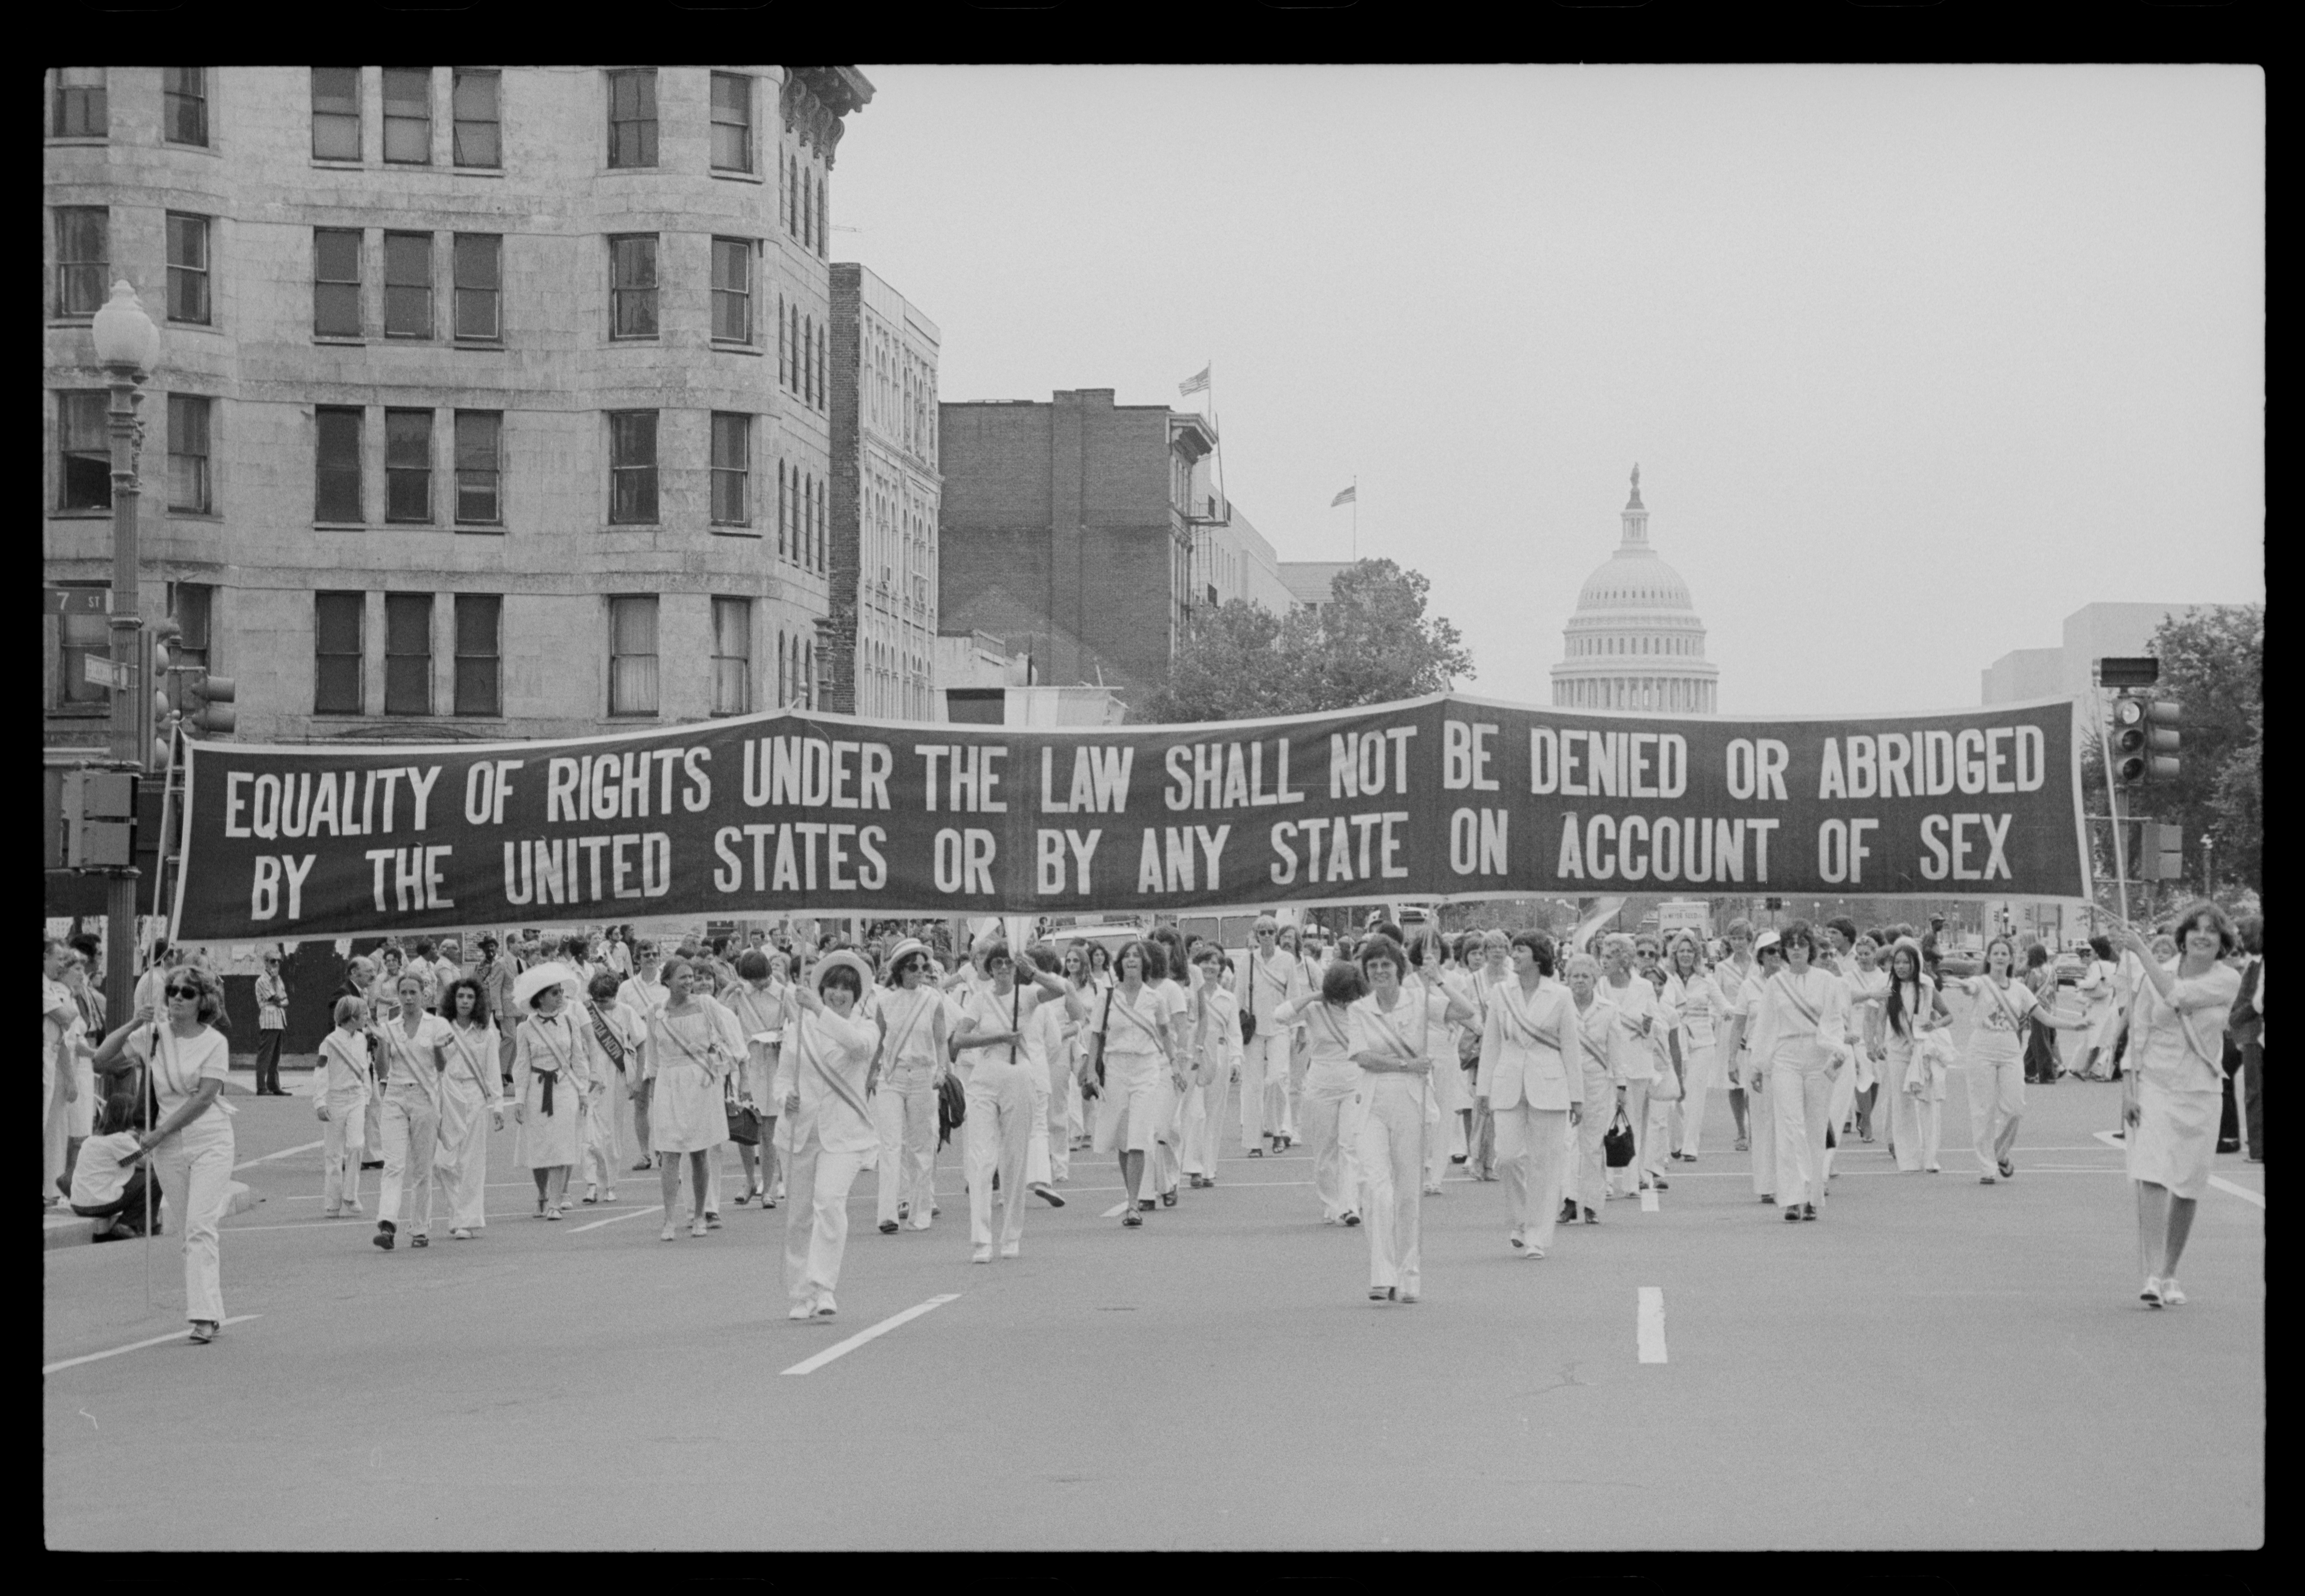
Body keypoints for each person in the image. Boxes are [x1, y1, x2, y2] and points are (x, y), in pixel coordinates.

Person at [91, 967, 236, 1343]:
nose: (176, 997)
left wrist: (160, 1132)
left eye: (186, 993)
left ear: (202, 1000)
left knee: (201, 1225)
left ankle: (202, 1315)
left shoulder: (215, 1041)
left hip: (209, 1139)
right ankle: (212, 1308)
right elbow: (101, 1061)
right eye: (172, 990)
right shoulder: (153, 1035)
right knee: (190, 1229)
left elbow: (205, 1097)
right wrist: (131, 1024)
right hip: (168, 1148)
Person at [2116, 903, 2244, 1306]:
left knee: (2187, 1184)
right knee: (2151, 1172)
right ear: (2184, 935)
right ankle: (2153, 1272)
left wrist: (2141, 952)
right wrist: (2129, 1086)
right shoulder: (2159, 970)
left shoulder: (2227, 979)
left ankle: (2171, 1271)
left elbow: (2175, 996)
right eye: (2196, 930)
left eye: (2212, 932)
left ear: (2222, 943)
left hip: (2202, 1089)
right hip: (2155, 1081)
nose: (2202, 936)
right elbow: (2139, 1032)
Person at [1347, 935, 1476, 1303]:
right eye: (1373, 966)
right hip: (1371, 1101)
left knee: (1407, 1195)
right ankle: (1381, 1273)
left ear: (1399, 968)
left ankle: (1409, 1276)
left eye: (1386, 965)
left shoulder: (1419, 1001)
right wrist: (1407, 1064)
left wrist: (1438, 978)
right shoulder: (1360, 1010)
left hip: (1412, 1102)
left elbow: (1466, 1012)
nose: (1380, 972)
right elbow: (1363, 1057)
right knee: (1376, 1188)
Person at [777, 950, 881, 1319]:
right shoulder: (798, 1027)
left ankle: (823, 1287)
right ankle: (800, 1294)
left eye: (846, 989)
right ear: (822, 988)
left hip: (845, 1134)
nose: (838, 994)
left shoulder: (866, 1026)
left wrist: (818, 1010)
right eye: (832, 987)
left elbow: (859, 1047)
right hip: (799, 1131)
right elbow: (784, 1075)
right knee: (799, 1215)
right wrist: (783, 1097)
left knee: (830, 1202)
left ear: (856, 995)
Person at [950, 939, 1070, 1261]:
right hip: (986, 1075)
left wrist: (1033, 972)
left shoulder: (1029, 995)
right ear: (989, 969)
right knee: (981, 1157)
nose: (1003, 969)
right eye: (998, 964)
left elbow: (1061, 991)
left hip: (1020, 1075)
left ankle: (1011, 1235)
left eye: (1009, 964)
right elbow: (959, 1040)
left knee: (1015, 1156)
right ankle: (981, 1240)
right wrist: (999, 1038)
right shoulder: (980, 999)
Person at [1958, 934, 2090, 1185]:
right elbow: (1971, 987)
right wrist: (1965, 986)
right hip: (1981, 1047)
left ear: (2011, 960)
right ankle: (1987, 1167)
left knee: (2015, 1107)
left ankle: (1999, 1152)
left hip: (2009, 1048)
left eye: (2004, 954)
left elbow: (2046, 1018)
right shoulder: (1981, 982)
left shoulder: (2020, 990)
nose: (1999, 957)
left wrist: (2077, 1026)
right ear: (1988, 958)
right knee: (1982, 1110)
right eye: (1995, 953)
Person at [1475, 931, 1576, 1259]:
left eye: (1520, 950)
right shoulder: (1501, 994)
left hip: (1549, 1084)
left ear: (1538, 956)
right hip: (1507, 1082)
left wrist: (1577, 1097)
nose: (1514, 956)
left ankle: (1537, 1235)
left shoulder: (1560, 996)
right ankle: (1520, 1219)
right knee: (1507, 1157)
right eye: (1513, 950)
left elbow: (1570, 1048)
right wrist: (1483, 1089)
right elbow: (1491, 1044)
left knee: (1545, 1165)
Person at [1742, 923, 1851, 1222]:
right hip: (1786, 1058)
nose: (1797, 950)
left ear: (1811, 948)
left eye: (1802, 944)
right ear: (1785, 951)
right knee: (1790, 1127)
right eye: (1791, 945)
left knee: (1815, 1129)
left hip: (1818, 1057)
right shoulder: (1776, 984)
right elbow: (1765, 1026)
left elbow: (1834, 1021)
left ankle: (1813, 1197)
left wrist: (1835, 1049)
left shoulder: (1827, 981)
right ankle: (1792, 1197)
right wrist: (1758, 1066)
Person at [1084, 940, 1179, 1225]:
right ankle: (1132, 1194)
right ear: (1120, 963)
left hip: (1146, 1069)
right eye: (1127, 957)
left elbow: (1165, 1034)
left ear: (1145, 963)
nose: (1132, 961)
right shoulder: (1108, 997)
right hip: (1116, 1069)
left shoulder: (1155, 998)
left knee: (1139, 1135)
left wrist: (1175, 1066)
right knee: (1123, 1139)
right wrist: (1091, 1070)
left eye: (1137, 957)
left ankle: (1135, 1204)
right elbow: (1097, 1034)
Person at [647, 957, 736, 1241]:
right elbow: (652, 1057)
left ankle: (700, 1215)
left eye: (691, 977)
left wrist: (714, 1063)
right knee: (670, 1152)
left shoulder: (707, 1005)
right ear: (668, 981)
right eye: (683, 977)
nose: (689, 982)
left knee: (699, 1152)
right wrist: (651, 1090)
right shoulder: (655, 1012)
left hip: (702, 1082)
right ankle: (669, 1219)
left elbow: (728, 1041)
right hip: (669, 1084)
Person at [1274, 960, 1367, 1225]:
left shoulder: (1361, 1010)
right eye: (1339, 997)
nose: (1343, 1004)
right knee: (1325, 1149)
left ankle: (1350, 1207)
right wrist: (1316, 995)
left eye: (1348, 997)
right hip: (1320, 1085)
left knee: (1350, 1145)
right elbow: (1280, 1015)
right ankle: (1332, 1202)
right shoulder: (1316, 1009)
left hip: (1354, 1083)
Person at [372, 971, 452, 1251]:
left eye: (413, 993)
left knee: (422, 1168)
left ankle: (419, 1228)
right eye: (403, 993)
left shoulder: (437, 1025)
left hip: (425, 1098)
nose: (407, 998)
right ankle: (387, 1224)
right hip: (394, 1096)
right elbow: (382, 1070)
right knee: (393, 1165)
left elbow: (441, 1068)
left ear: (424, 995)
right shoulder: (389, 1027)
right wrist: (381, 1044)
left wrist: (440, 1050)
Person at [872, 939, 948, 1234]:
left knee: (922, 1144)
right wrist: (869, 1075)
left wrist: (942, 1069)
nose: (920, 972)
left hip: (924, 1075)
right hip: (892, 1076)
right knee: (890, 1145)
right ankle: (888, 1214)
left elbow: (941, 1040)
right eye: (914, 967)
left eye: (924, 967)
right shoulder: (885, 1001)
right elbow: (877, 1043)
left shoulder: (933, 1000)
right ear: (900, 970)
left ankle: (921, 1210)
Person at [512, 973, 589, 1220]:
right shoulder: (525, 1027)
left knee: (561, 1145)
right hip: (537, 1089)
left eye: (561, 992)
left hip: (564, 1088)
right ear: (540, 997)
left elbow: (579, 1059)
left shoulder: (570, 1022)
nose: (560, 997)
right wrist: (520, 1100)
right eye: (554, 993)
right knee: (539, 1147)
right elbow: (521, 1066)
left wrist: (583, 1091)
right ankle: (543, 1195)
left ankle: (556, 1202)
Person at [436, 976, 506, 1240]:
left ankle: (467, 1219)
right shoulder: (442, 1028)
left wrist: (498, 1106)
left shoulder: (486, 1033)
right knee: (442, 1162)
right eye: (461, 997)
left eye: (470, 997)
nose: (465, 1002)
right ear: (453, 1000)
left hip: (475, 1096)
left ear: (477, 1002)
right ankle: (457, 1212)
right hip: (447, 1094)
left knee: (472, 1161)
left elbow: (493, 1071)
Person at [1598, 934, 1666, 1197]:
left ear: (1623, 959)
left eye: (1610, 956)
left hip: (1638, 1060)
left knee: (1633, 1122)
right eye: (1603, 956)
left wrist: (1648, 1027)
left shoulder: (1644, 987)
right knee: (1606, 1121)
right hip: (1606, 1063)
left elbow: (1658, 1023)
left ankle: (1632, 1181)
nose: (1604, 961)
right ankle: (1604, 1183)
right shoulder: (1599, 986)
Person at [1237, 915, 1309, 1160]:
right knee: (1253, 1085)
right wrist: (1235, 1033)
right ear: (1256, 936)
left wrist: (1299, 1028)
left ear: (1275, 935)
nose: (1267, 936)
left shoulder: (1287, 960)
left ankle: (1280, 1132)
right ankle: (1254, 1143)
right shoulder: (1247, 960)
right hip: (1254, 1029)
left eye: (1270, 932)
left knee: (1277, 1079)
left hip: (1280, 1027)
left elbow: (1295, 996)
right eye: (1262, 932)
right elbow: (1238, 999)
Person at [1878, 938, 1952, 1173]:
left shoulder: (1927, 985)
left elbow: (1948, 1015)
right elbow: (1880, 1020)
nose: (1900, 967)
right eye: (1897, 962)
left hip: (1922, 1051)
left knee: (1928, 1103)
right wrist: (1879, 1043)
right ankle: (1908, 1159)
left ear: (1915, 964)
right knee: (1902, 1105)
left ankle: (1930, 1158)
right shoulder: (1890, 987)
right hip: (1898, 1052)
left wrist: (1935, 1025)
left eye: (1905, 962)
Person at [722, 950, 789, 1209]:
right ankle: (749, 1180)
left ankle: (769, 1187)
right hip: (747, 1063)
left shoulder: (784, 994)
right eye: (752, 980)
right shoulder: (741, 993)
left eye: (761, 979)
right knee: (745, 1126)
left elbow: (795, 1025)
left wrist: (784, 1038)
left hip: (774, 1061)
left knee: (769, 1131)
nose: (758, 984)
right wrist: (729, 992)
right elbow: (723, 1020)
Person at [1181, 943, 1244, 1190]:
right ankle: (1193, 1167)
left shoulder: (1228, 998)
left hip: (1220, 1054)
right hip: (1195, 1054)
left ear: (1221, 968)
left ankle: (1208, 1169)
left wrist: (1237, 1060)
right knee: (1196, 1113)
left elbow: (1235, 1033)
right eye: (1204, 962)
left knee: (1214, 1114)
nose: (1209, 967)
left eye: (1214, 963)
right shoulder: (1190, 994)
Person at [1661, 933, 1722, 1163]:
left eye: (1690, 951)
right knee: (1675, 1092)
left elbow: (1723, 1005)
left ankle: (1690, 1147)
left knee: (1696, 1096)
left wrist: (1726, 1014)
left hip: (1702, 1042)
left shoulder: (1706, 979)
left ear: (1697, 954)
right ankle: (1676, 1142)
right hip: (1674, 1042)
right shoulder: (1666, 978)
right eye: (1681, 951)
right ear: (1674, 954)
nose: (1686, 955)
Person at [312, 995, 373, 1217]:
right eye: (364, 1014)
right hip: (335, 1099)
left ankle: (350, 1195)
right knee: (334, 1153)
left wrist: (367, 1095)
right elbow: (321, 1073)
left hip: (357, 1098)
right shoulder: (329, 1043)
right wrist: (320, 1102)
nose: (367, 1017)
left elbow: (365, 1069)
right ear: (352, 1017)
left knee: (357, 1145)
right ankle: (332, 1202)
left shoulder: (362, 1040)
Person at [617, 941, 669, 1172]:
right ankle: (644, 1153)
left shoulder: (667, 983)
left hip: (663, 1046)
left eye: (655, 954)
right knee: (640, 1103)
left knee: (661, 1103)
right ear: (638, 958)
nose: (651, 958)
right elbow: (620, 1019)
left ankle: (664, 1149)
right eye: (646, 954)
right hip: (639, 1048)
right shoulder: (627, 987)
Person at [44, 937, 84, 1206]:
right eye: (59, 959)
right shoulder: (50, 988)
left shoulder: (55, 988)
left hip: (52, 1053)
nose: (63, 965)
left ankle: (52, 1190)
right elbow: (66, 1017)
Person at [1714, 921, 1760, 1152]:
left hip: (1755, 1025)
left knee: (1753, 1079)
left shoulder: (1758, 965)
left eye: (1743, 938)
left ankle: (1755, 1130)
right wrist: (1726, 1014)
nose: (1739, 942)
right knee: (1735, 1083)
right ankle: (1741, 1131)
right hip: (1732, 1026)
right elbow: (1717, 998)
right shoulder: (1722, 968)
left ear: (1750, 939)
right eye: (1734, 938)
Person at [2229, 916, 2263, 1163]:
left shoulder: (2258, 965)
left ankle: (2258, 1150)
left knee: (2254, 1093)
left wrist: (2234, 1018)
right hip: (2252, 1033)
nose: (2240, 939)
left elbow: (2257, 1003)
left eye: (2243, 934)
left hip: (2255, 1034)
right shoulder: (2254, 963)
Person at [252, 951, 291, 1095]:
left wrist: (280, 1000)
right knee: (265, 1056)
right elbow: (276, 998)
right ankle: (261, 1087)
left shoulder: (278, 979)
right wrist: (279, 999)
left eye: (278, 961)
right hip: (269, 1021)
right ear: (266, 963)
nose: (276, 964)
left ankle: (274, 1085)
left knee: (276, 1057)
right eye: (273, 961)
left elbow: (286, 1000)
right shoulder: (263, 980)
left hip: (280, 1020)